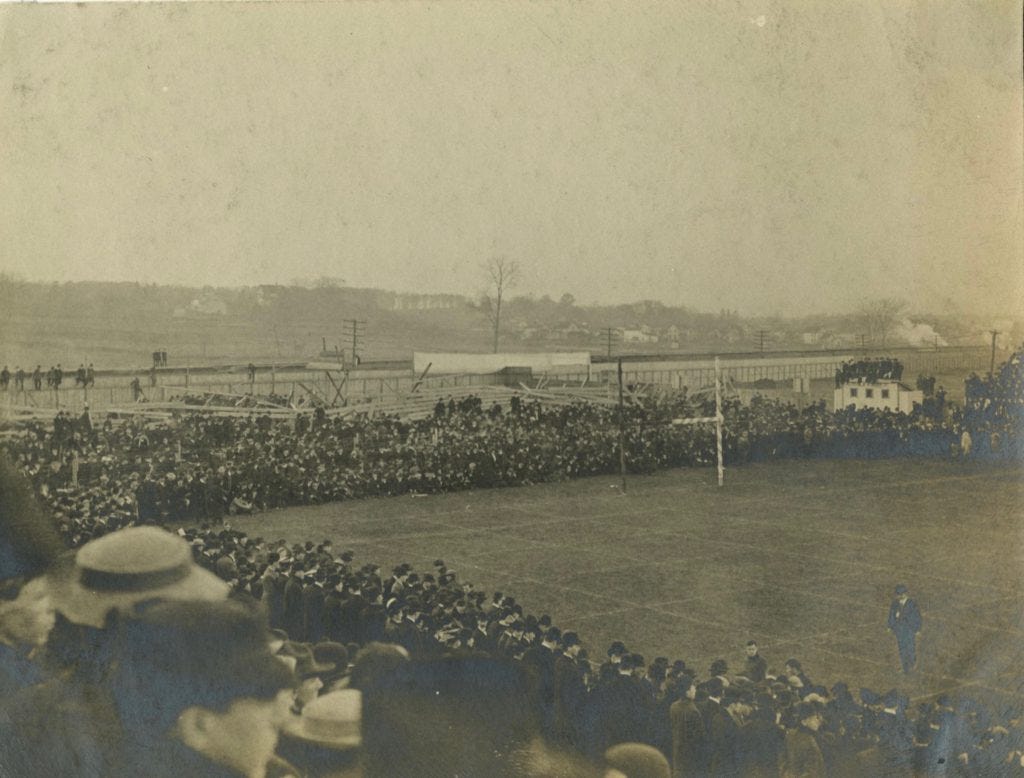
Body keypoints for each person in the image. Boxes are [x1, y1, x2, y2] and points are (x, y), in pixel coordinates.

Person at [887, 584, 922, 674]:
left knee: (910, 648)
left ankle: (912, 664)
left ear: (906, 594)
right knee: (902, 649)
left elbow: (917, 616)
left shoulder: (912, 604)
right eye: (898, 594)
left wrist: (917, 629)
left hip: (910, 629)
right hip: (899, 630)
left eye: (902, 594)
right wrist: (890, 626)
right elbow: (891, 615)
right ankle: (905, 668)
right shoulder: (894, 604)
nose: (901, 596)